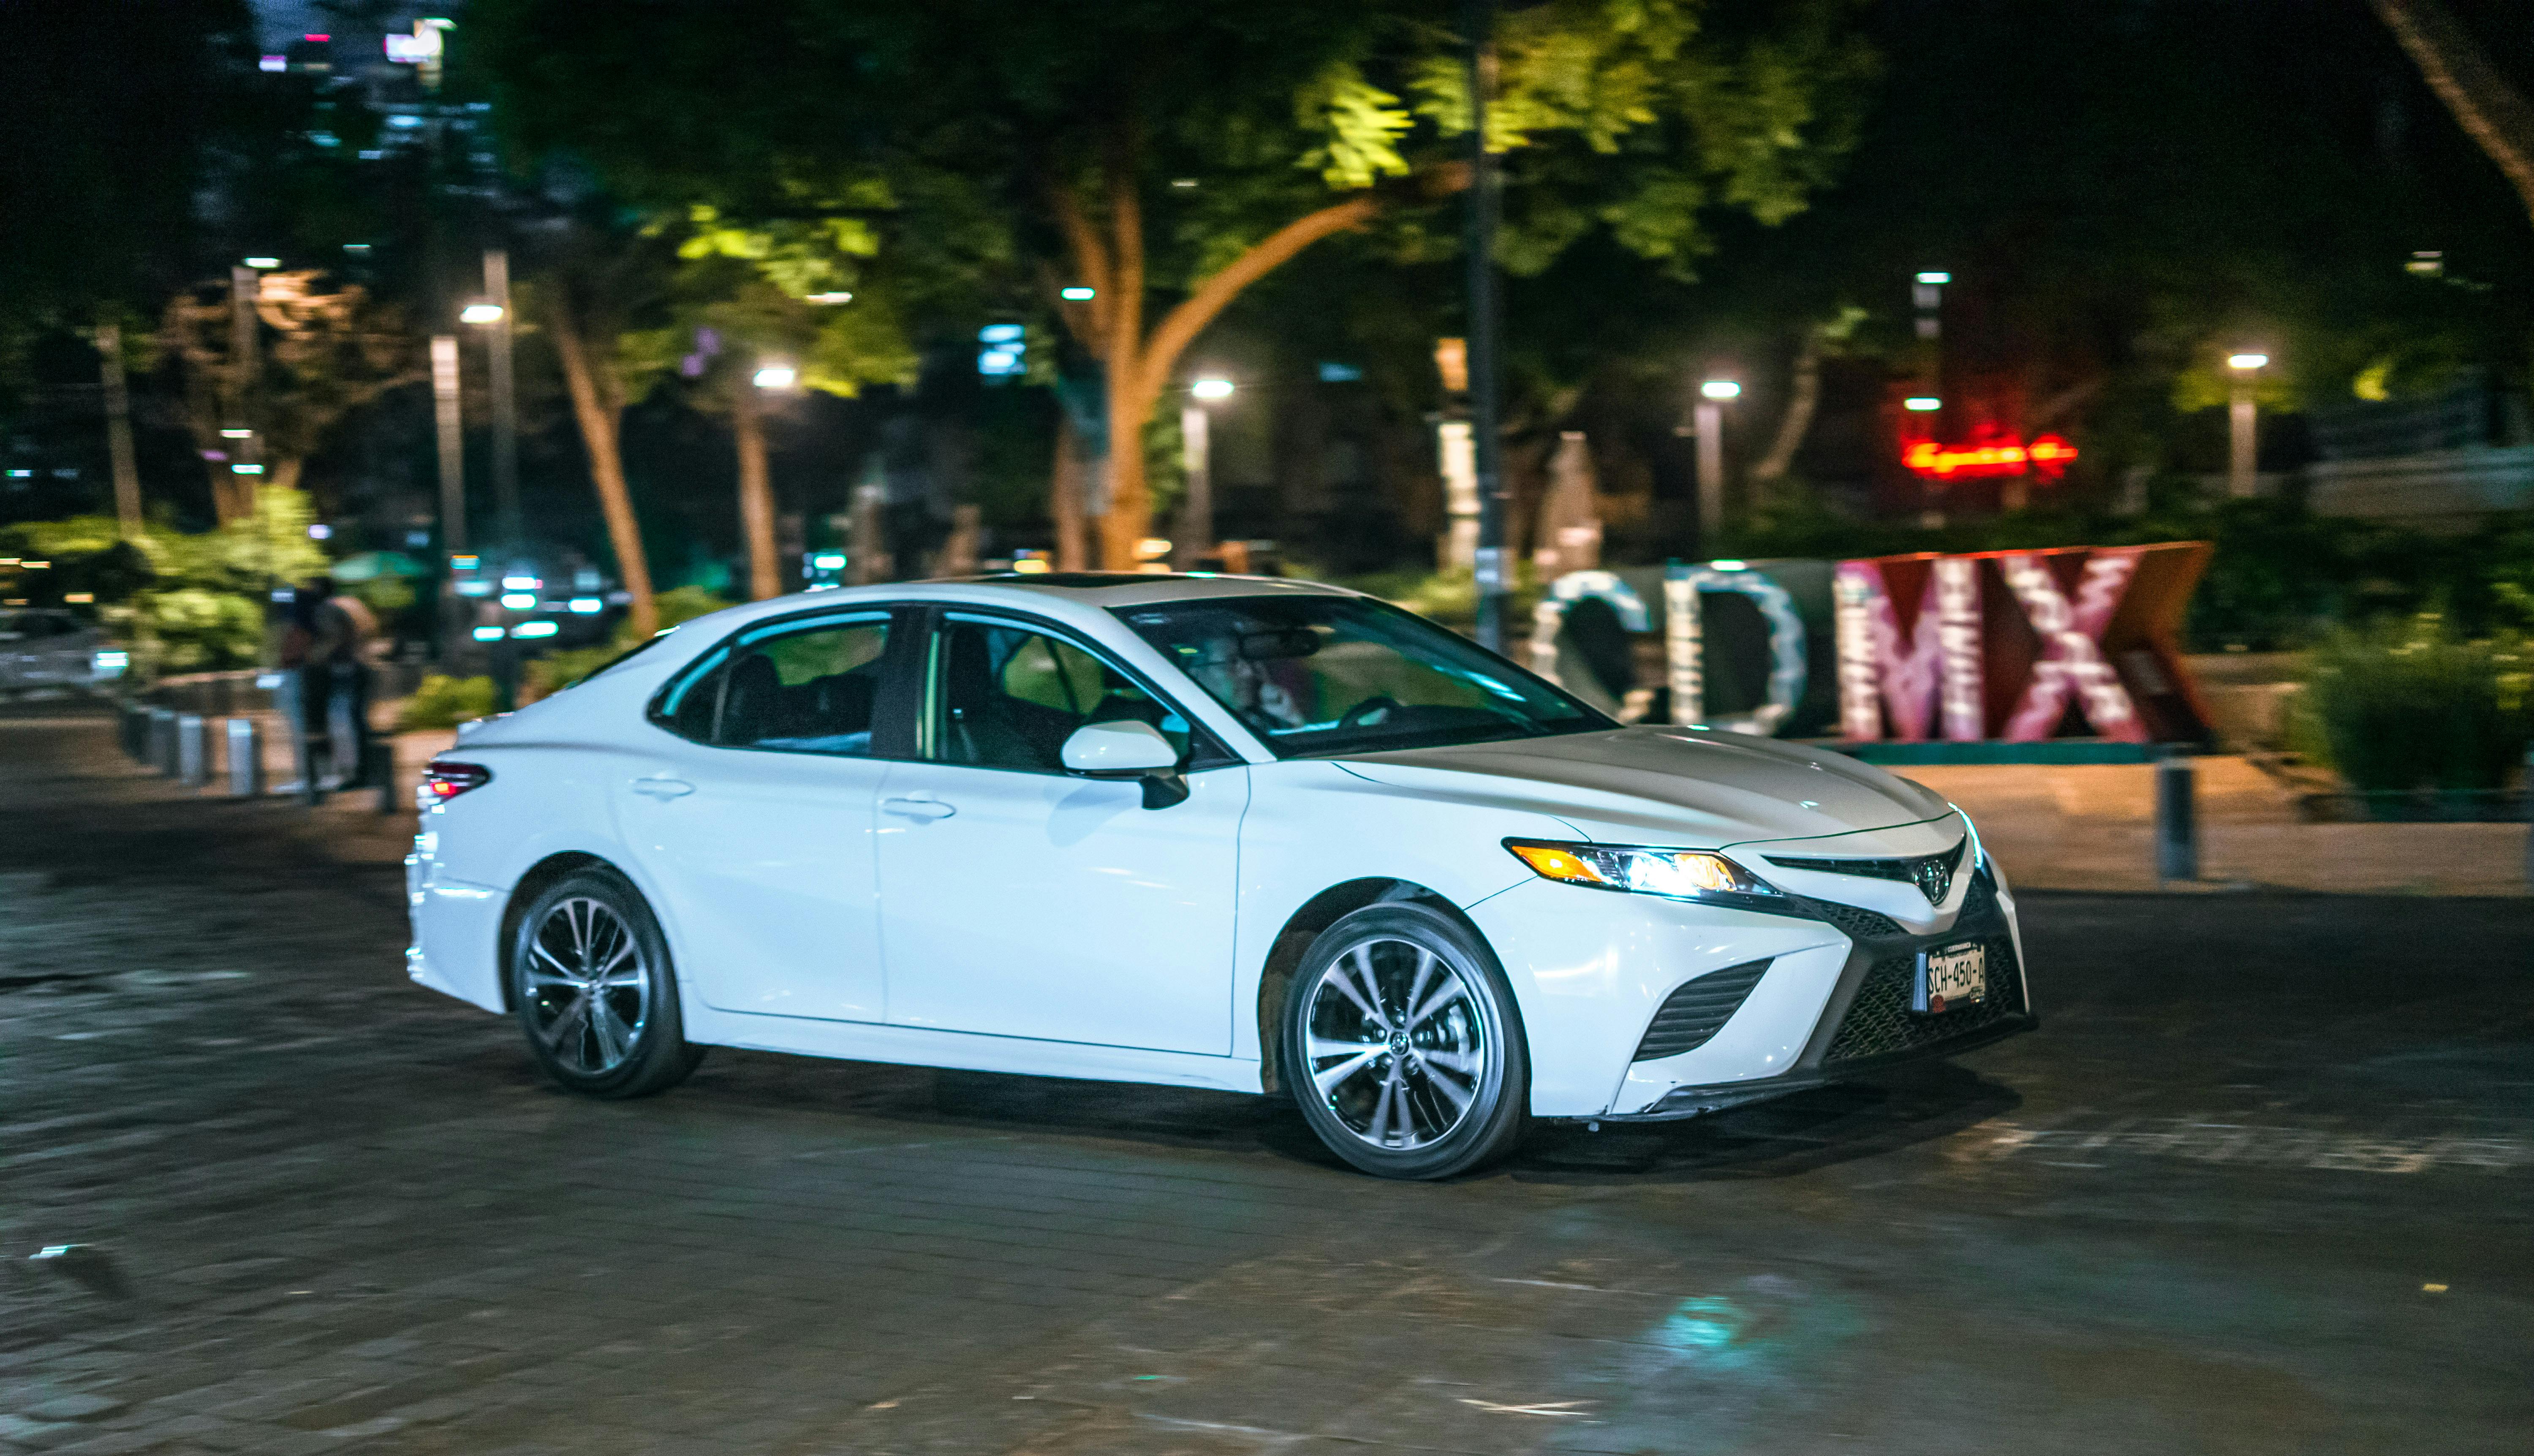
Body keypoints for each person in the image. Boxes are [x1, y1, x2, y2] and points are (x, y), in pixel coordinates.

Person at [301, 576, 380, 791]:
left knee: (343, 723)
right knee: (356, 721)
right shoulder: (351, 605)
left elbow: (337, 638)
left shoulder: (329, 610)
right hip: (361, 667)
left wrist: (316, 656)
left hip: (346, 670)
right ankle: (363, 771)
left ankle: (353, 773)